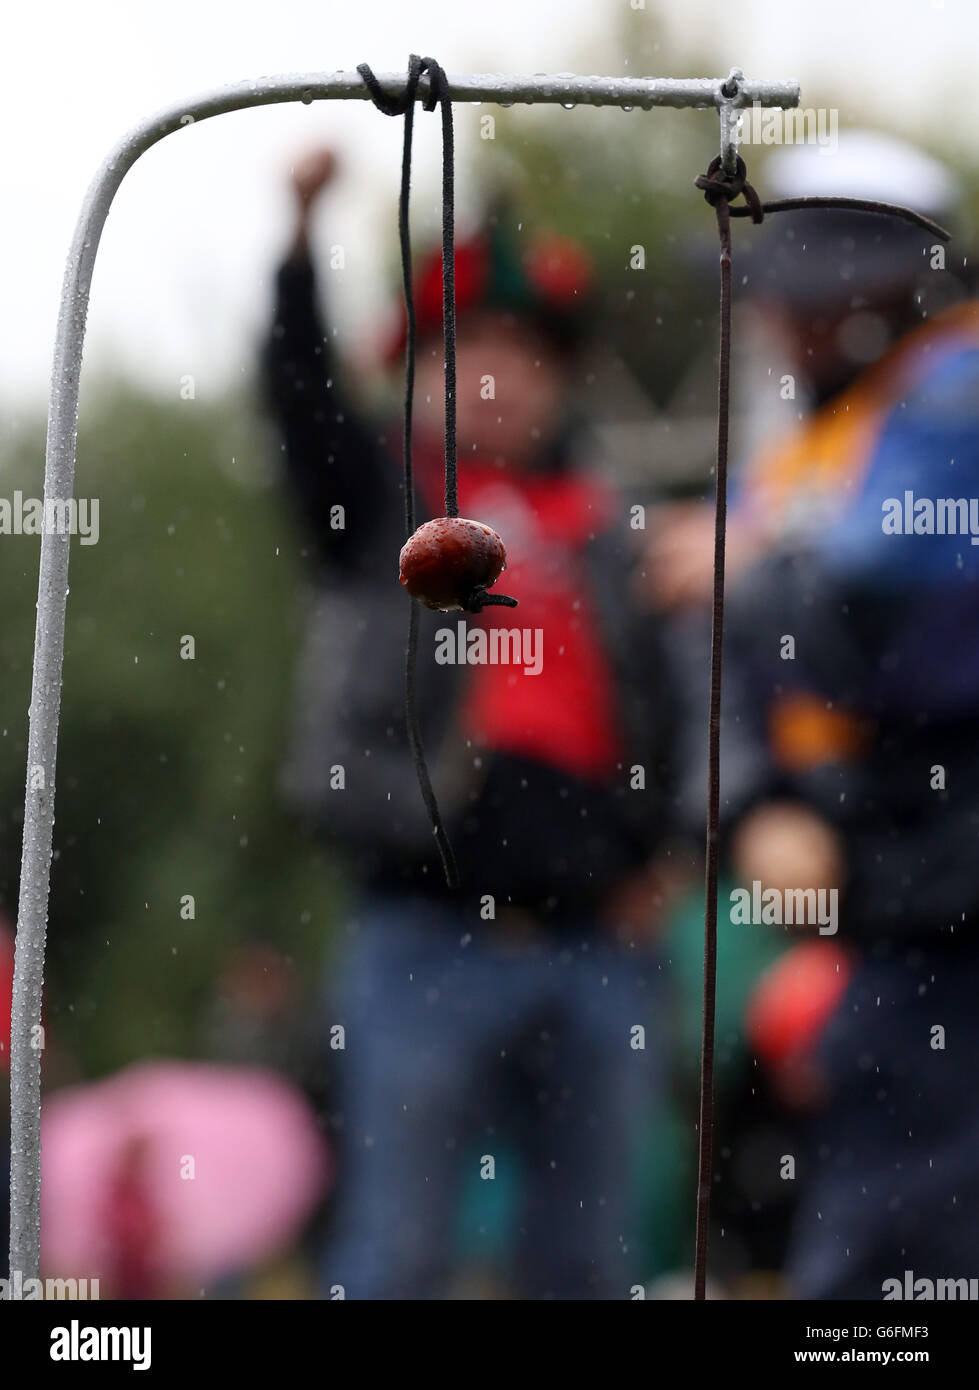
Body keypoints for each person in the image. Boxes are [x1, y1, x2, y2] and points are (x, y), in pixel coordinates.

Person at [261, 147, 682, 1299]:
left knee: (590, 1262)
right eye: (467, 352)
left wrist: (672, 852)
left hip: (596, 943)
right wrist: (300, 245)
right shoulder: (379, 504)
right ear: (420, 370)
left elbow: (684, 709)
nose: (496, 377)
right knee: (396, 1255)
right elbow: (297, 403)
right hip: (421, 936)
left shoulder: (617, 527)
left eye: (522, 354)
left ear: (560, 378)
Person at [648, 132, 979, 1299]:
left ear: (884, 290)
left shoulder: (957, 389)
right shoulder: (807, 454)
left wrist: (746, 569)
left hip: (949, 891)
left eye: (807, 290)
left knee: (896, 1249)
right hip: (885, 901)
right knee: (877, 1231)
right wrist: (758, 805)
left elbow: (870, 608)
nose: (778, 320)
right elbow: (708, 648)